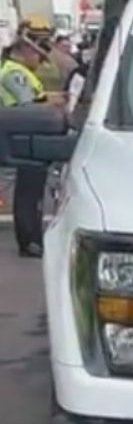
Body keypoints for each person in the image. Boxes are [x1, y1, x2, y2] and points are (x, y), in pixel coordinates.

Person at [1, 27, 57, 257]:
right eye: (38, 56)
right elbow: (28, 108)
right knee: (29, 192)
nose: (40, 62)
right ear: (24, 51)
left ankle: (30, 238)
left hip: (22, 137)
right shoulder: (15, 73)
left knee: (30, 191)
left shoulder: (12, 69)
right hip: (26, 139)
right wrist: (52, 111)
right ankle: (30, 240)